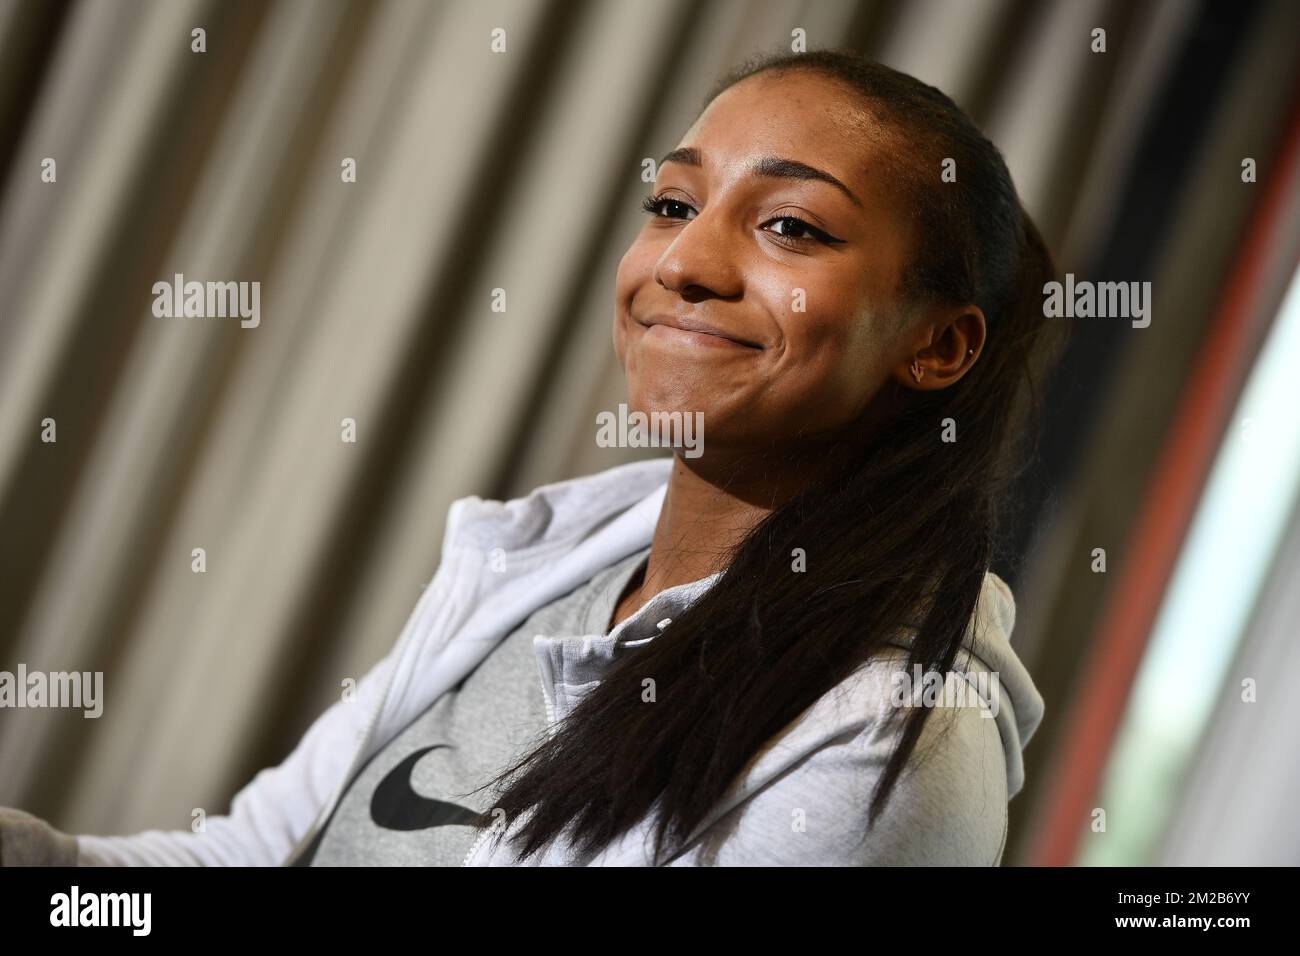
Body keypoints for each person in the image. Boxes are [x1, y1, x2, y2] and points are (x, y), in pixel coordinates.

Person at [2, 47, 1061, 867]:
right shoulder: (539, 567)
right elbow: (240, 859)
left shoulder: (888, 752)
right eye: (673, 205)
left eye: (789, 225)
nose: (685, 262)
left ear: (938, 344)